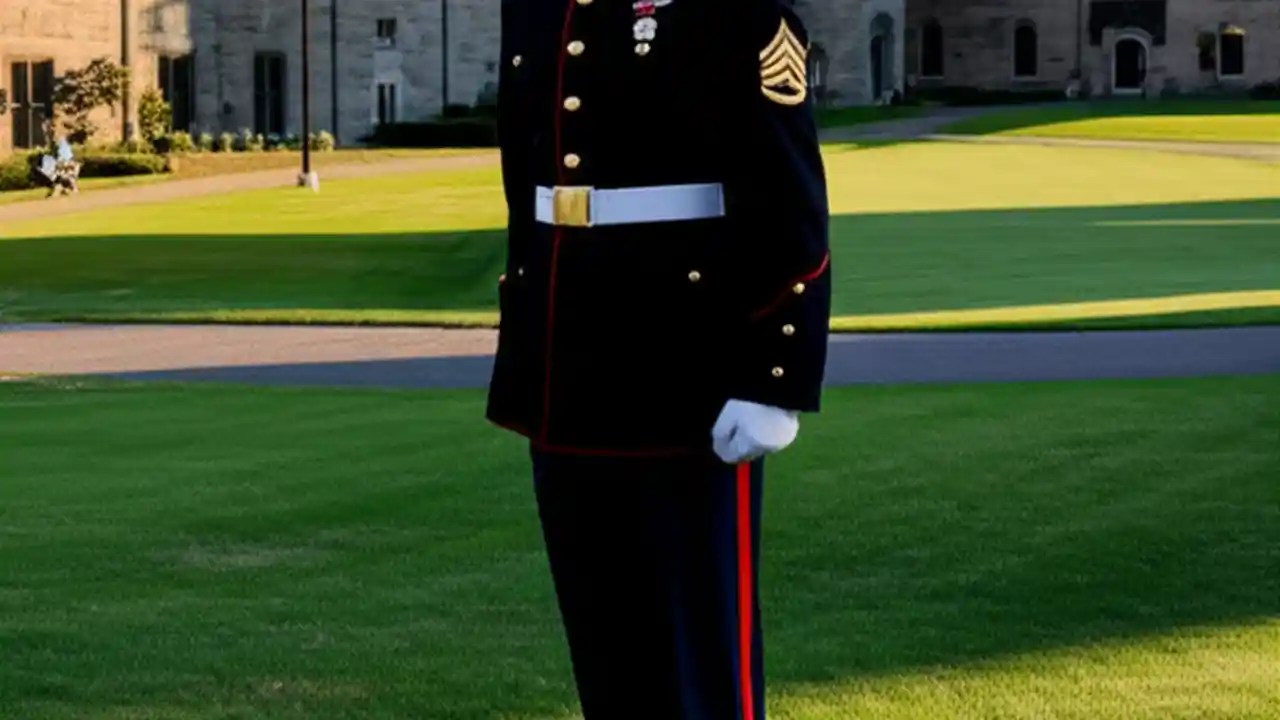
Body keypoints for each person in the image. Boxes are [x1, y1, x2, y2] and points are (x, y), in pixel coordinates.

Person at [484, 0, 830, 715]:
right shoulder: (535, 6)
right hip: (565, 366)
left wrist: (774, 375)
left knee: (697, 663)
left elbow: (788, 188)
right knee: (606, 653)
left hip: (688, 365)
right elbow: (526, 176)